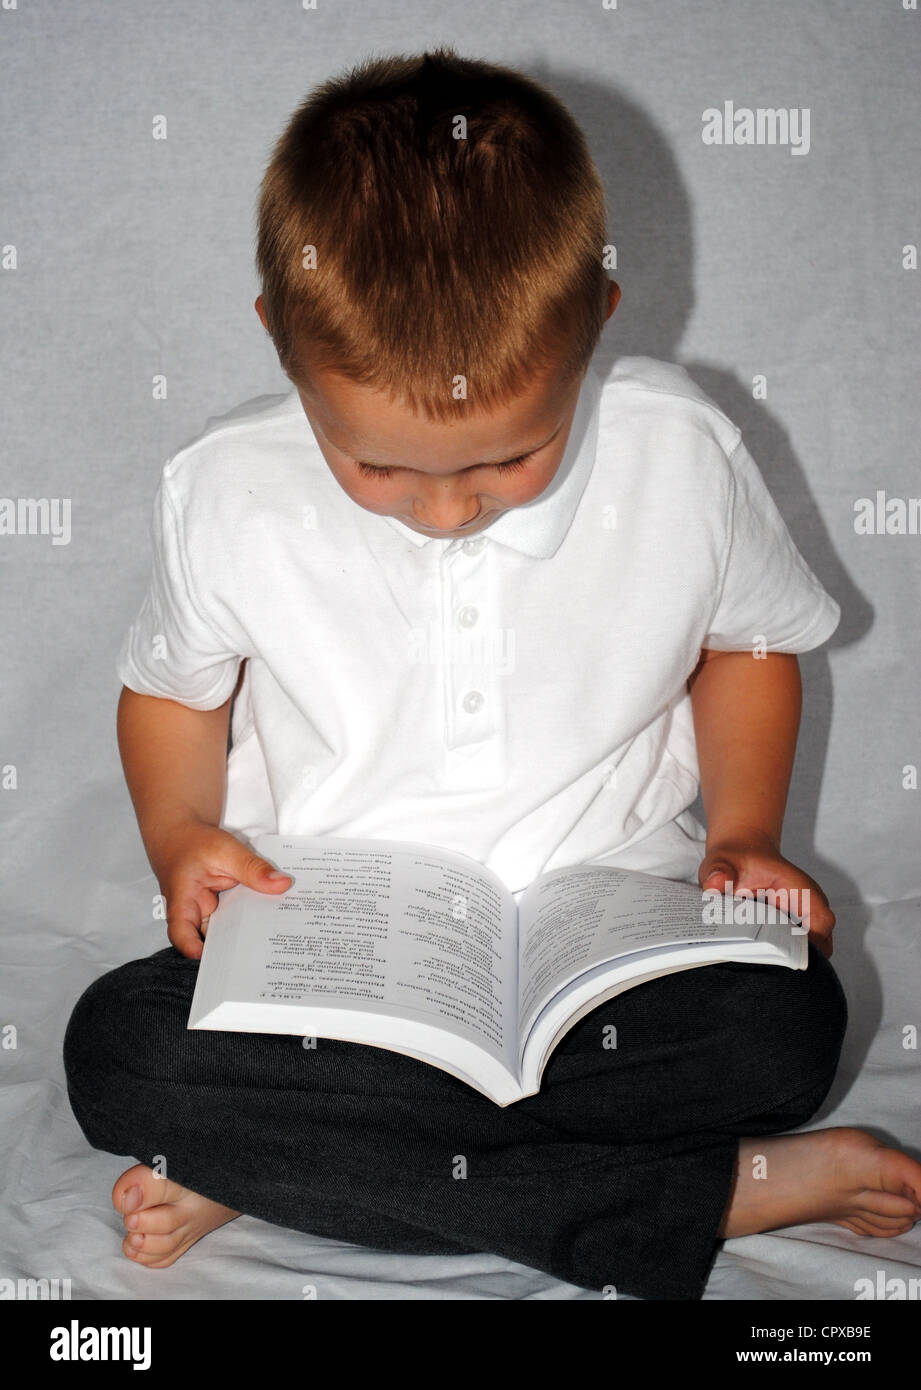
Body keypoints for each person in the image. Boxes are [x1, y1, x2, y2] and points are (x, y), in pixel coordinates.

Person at [63, 48, 921, 1301]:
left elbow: (751, 645)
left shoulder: (681, 448)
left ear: (597, 325)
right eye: (382, 472)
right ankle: (719, 1192)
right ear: (282, 344)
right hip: (333, 961)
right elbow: (170, 692)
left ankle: (287, 1165)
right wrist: (181, 831)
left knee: (782, 1030)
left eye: (510, 459)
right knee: (114, 1055)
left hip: (610, 951)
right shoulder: (224, 489)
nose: (447, 511)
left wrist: (743, 832)